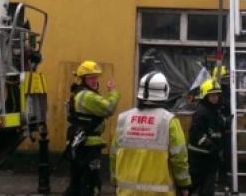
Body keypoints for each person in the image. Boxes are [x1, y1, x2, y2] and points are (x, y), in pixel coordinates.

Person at [110, 71, 192, 196]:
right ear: (164, 93)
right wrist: (184, 184)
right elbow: (179, 158)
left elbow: (114, 155)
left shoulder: (124, 119)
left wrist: (114, 180)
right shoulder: (169, 121)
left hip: (127, 192)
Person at [65, 60, 120, 196]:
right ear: (82, 79)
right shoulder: (87, 96)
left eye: (96, 77)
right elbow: (108, 108)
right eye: (90, 78)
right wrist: (113, 92)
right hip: (89, 146)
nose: (94, 81)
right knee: (91, 183)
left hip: (79, 143)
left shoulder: (79, 93)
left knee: (76, 182)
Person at [187, 78, 226, 196]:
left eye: (217, 95)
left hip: (211, 159)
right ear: (205, 96)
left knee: (208, 191)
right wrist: (209, 144)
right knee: (190, 189)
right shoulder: (201, 112)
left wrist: (226, 123)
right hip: (198, 160)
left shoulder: (216, 112)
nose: (215, 98)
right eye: (212, 95)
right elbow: (195, 133)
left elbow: (217, 131)